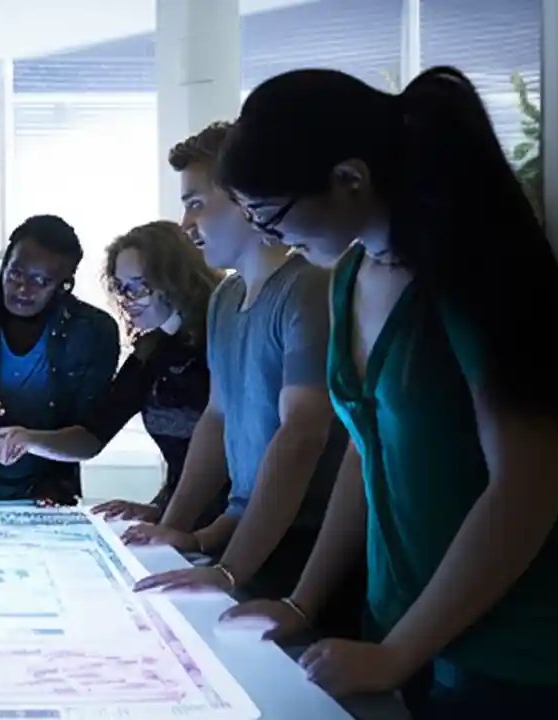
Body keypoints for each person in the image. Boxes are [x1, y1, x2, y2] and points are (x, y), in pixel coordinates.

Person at [216, 67, 558, 717]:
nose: (268, 236)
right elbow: (365, 448)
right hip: (403, 629)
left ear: (350, 179)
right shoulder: (352, 273)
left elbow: (529, 480)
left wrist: (401, 652)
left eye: (271, 215)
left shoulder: (472, 273)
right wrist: (302, 603)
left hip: (512, 653)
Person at [125, 122, 351, 622]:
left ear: (247, 199)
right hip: (243, 534)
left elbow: (300, 437)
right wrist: (173, 528)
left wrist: (231, 570)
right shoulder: (225, 297)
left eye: (197, 203)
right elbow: (217, 418)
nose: (185, 223)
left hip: (307, 546)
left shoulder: (308, 288)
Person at [0, 221, 223, 522]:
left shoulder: (221, 340)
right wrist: (27, 439)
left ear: (174, 279)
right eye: (120, 287)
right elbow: (92, 435)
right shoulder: (152, 352)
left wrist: (172, 520)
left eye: (137, 287)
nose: (126, 299)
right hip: (186, 520)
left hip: (233, 524)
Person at [0, 215, 118, 504]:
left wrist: (33, 444)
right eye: (15, 274)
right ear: (4, 265)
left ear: (64, 285)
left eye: (40, 281)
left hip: (56, 492)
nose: (23, 289)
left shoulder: (94, 332)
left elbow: (91, 434)